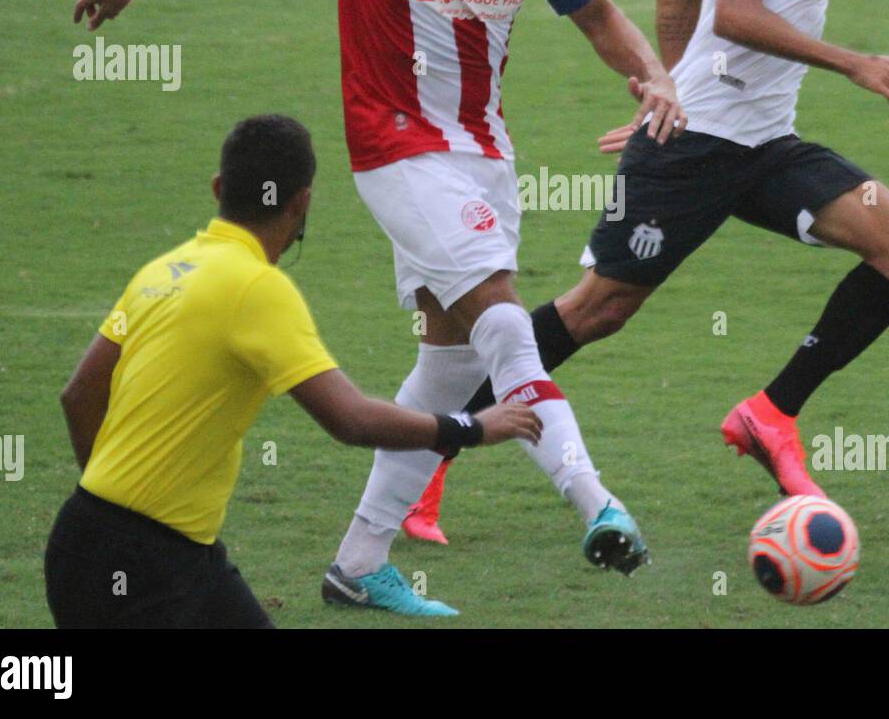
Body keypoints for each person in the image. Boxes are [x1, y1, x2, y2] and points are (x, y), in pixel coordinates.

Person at [73, 0, 685, 616]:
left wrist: (651, 76)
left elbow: (597, 13)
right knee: (503, 318)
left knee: (449, 363)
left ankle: (358, 562)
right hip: (397, 152)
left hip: (485, 161)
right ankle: (595, 501)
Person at [403, 0, 889, 539]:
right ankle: (433, 448)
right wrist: (848, 61)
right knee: (596, 311)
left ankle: (769, 413)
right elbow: (736, 11)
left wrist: (673, 86)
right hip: (692, 156)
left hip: (764, 147)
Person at [44, 115, 540, 627]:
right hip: (140, 566)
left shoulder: (161, 270)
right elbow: (350, 420)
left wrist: (110, 503)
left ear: (219, 188)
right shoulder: (258, 288)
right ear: (302, 203)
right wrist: (473, 427)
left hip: (130, 543)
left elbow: (78, 396)